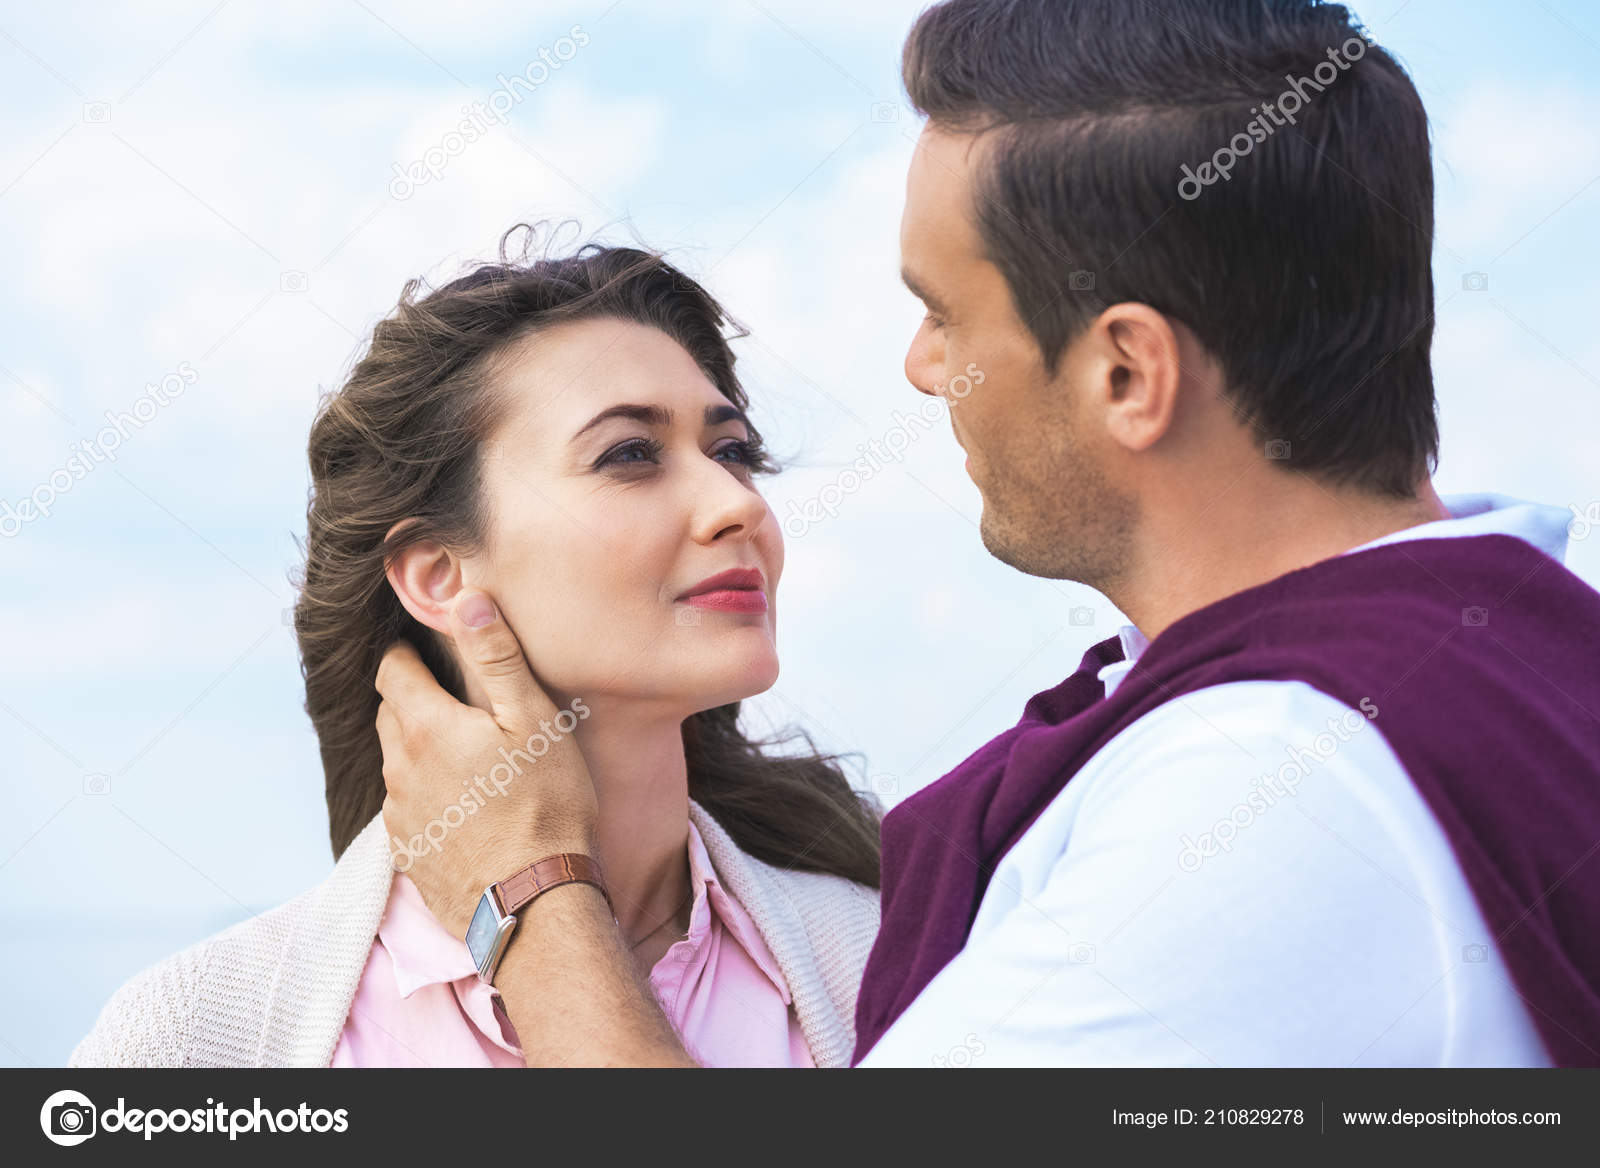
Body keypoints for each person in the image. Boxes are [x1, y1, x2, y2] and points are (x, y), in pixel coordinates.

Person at [373, 0, 1600, 1067]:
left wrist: (531, 891)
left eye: (946, 315)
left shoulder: (1269, 791)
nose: (922, 367)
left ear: (1126, 374)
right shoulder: (1509, 656)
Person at [68, 238, 882, 1068]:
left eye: (732, 452)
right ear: (438, 576)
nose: (737, 505)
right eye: (630, 454)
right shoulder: (196, 1040)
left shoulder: (890, 965)